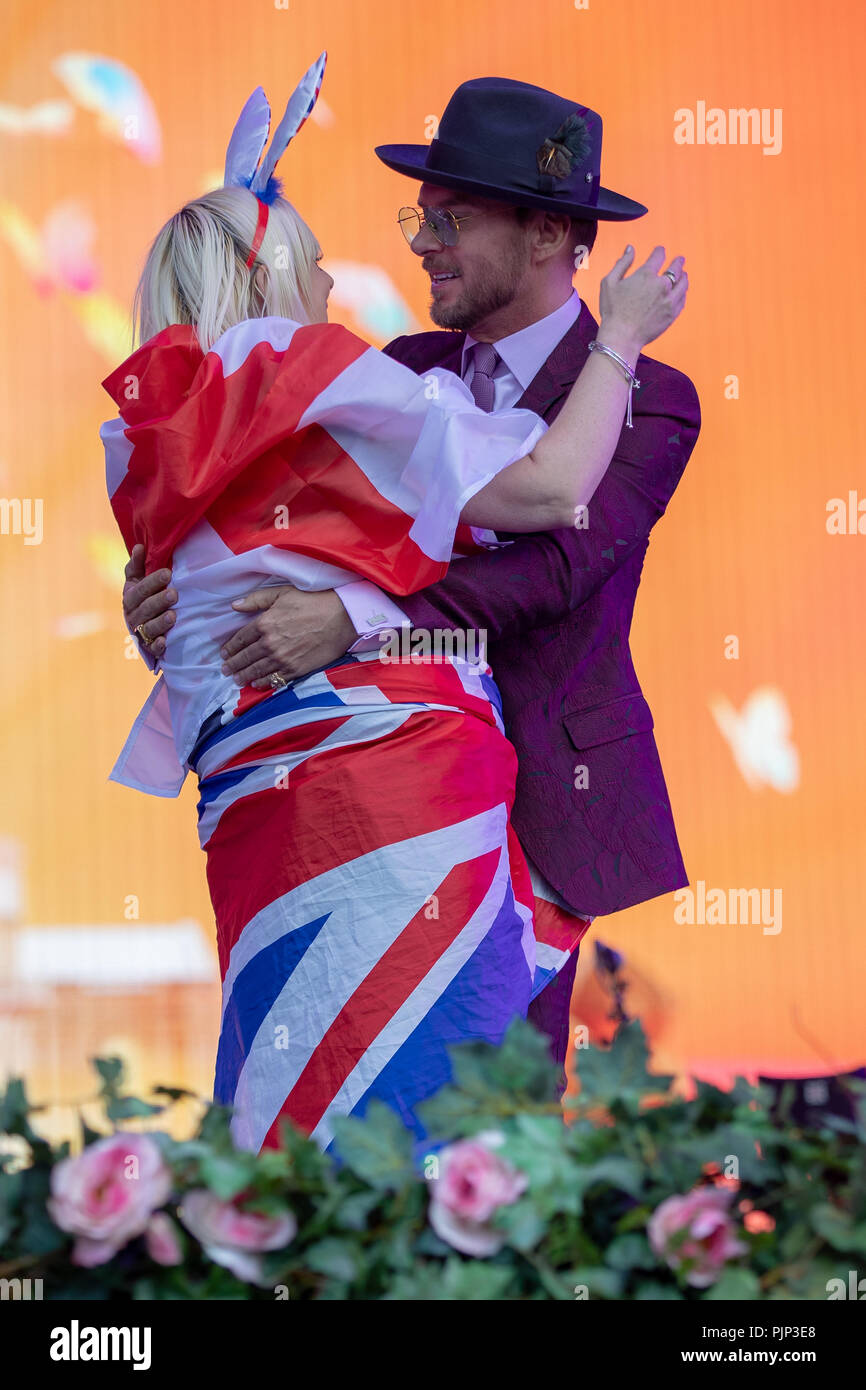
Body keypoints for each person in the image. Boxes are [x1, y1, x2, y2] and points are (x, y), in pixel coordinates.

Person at [120, 70, 697, 1117]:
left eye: (448, 219)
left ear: (543, 234)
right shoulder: (391, 368)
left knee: (494, 1130)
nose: (418, 242)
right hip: (361, 809)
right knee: (340, 1101)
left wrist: (357, 617)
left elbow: (556, 563)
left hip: (541, 810)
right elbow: (260, 509)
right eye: (417, 216)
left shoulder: (648, 396)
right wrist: (157, 589)